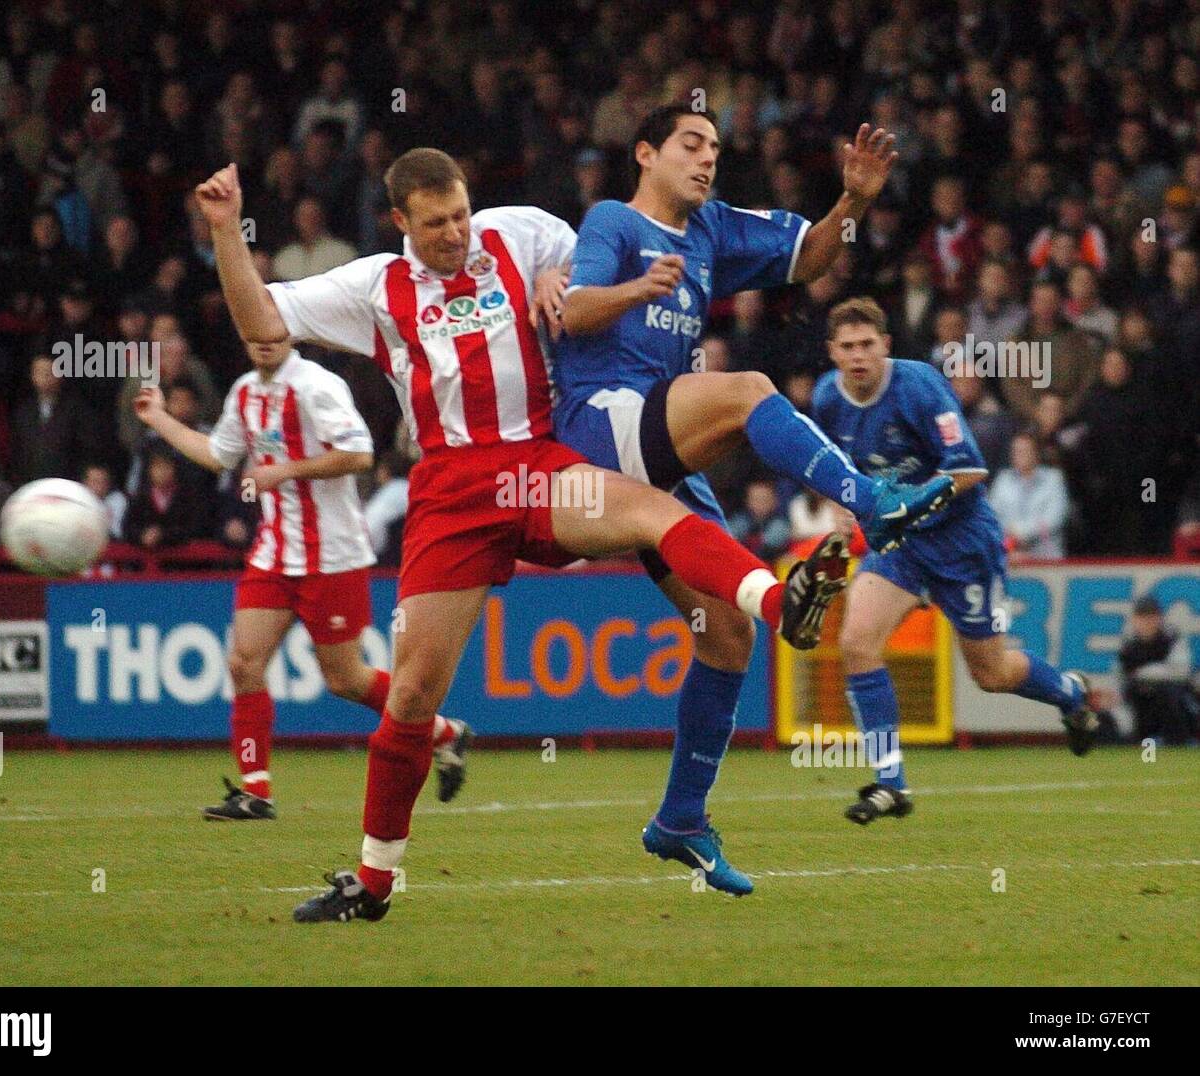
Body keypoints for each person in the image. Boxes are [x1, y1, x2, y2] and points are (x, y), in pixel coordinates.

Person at [192, 148, 841, 923]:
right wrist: (227, 229)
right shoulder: (372, 287)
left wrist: (555, 281)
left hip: (537, 466)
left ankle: (780, 604)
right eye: (435, 224)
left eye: (461, 214)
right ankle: (372, 882)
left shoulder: (518, 232)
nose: (455, 233)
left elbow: (593, 275)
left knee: (653, 513)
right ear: (401, 221)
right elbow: (262, 317)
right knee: (409, 695)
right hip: (452, 495)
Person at [552, 105, 954, 887]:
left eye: (715, 150)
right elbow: (572, 312)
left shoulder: (711, 229)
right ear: (646, 154)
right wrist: (640, 287)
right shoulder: (611, 222)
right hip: (600, 427)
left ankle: (680, 820)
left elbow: (806, 259)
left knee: (727, 636)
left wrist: (854, 205)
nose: (707, 161)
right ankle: (872, 501)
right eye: (690, 146)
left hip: (659, 452)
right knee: (746, 392)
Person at [135, 336, 471, 819]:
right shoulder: (245, 392)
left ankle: (444, 732)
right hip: (274, 553)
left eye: (276, 332)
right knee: (243, 664)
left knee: (344, 678)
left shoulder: (318, 386)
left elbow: (358, 455)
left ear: (289, 334)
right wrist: (160, 419)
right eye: (255, 333)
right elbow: (219, 455)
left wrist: (281, 472)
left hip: (332, 556)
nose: (266, 341)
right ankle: (256, 792)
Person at [811, 298, 1100, 824]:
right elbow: (835, 469)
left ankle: (1070, 694)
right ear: (832, 352)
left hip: (963, 541)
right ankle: (890, 783)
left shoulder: (918, 387)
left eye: (867, 345)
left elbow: (970, 469)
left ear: (886, 346)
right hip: (902, 548)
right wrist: (840, 511)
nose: (858, 357)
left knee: (990, 672)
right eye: (847, 347)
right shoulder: (827, 399)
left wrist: (907, 506)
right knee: (856, 642)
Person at [1112, 596, 1197, 745]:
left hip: (1175, 700)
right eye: (1142, 617)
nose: (1147, 622)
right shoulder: (1129, 645)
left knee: (1166, 693)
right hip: (1141, 702)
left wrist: (1144, 674)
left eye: (1151, 616)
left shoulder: (1171, 638)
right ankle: (1142, 742)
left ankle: (1177, 742)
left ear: (1159, 617)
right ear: (1134, 619)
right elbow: (1119, 680)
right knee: (1132, 696)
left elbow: (1181, 671)